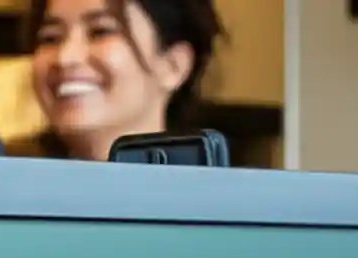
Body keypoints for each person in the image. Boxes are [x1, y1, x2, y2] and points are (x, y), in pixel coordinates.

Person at [11, 0, 225, 162]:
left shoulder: (215, 198)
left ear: (173, 65)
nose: (66, 58)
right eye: (50, 37)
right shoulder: (6, 179)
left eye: (100, 31)